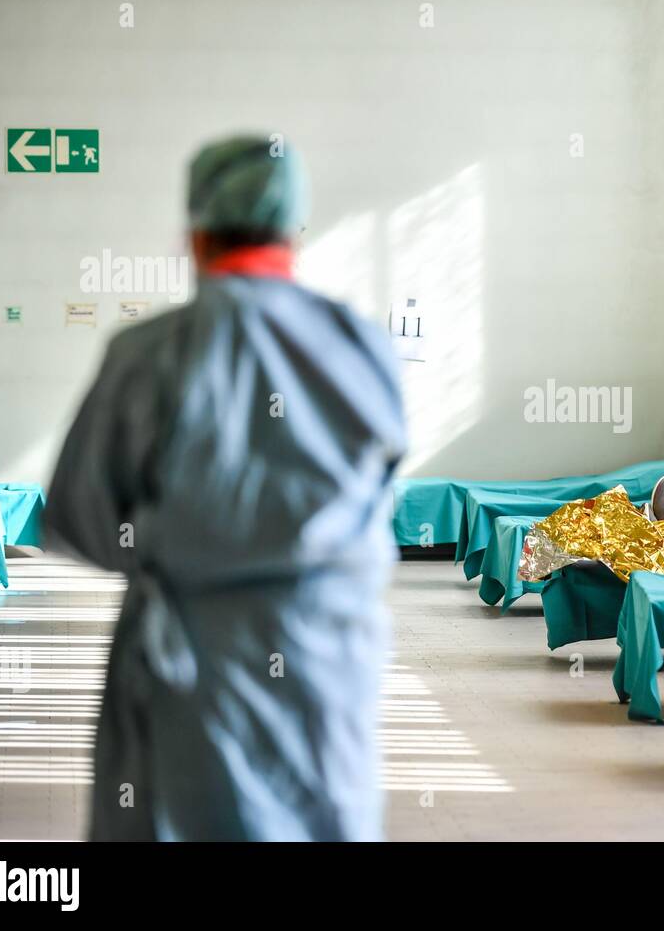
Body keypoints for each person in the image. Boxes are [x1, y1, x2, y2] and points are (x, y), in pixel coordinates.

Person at [45, 135, 406, 840]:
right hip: (324, 664)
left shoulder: (150, 355)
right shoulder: (362, 347)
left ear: (196, 234)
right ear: (291, 232)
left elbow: (81, 515)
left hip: (194, 679)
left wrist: (170, 545)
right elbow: (378, 495)